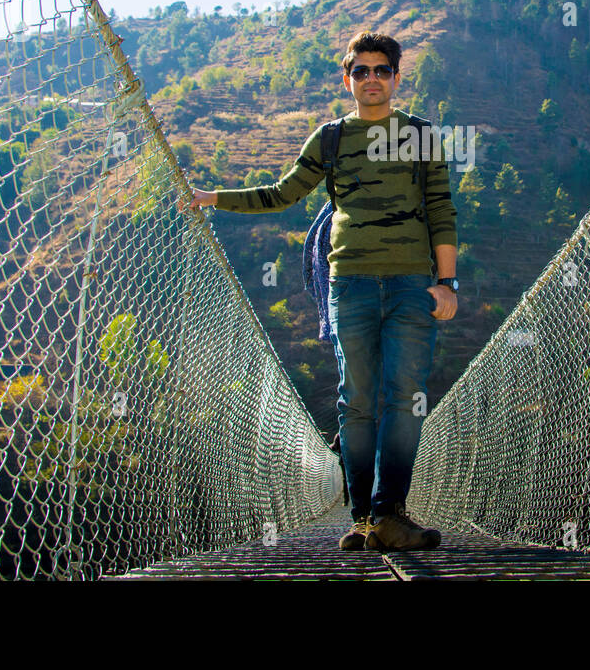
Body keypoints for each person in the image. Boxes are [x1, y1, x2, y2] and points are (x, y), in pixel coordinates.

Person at [180, 31, 459, 552]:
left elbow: (442, 211)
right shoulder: (329, 139)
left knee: (404, 399)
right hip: (348, 282)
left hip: (411, 285)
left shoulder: (421, 135)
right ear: (347, 78)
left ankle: (390, 513)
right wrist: (212, 197)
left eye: (381, 70)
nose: (371, 79)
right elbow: (282, 193)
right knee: (356, 402)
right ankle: (363, 520)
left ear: (397, 78)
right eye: (361, 71)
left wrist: (446, 284)